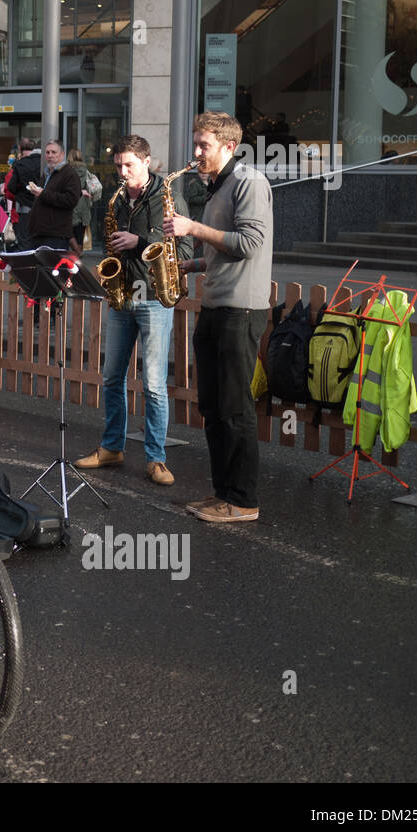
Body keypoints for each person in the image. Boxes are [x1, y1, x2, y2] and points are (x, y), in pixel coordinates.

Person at [166, 111, 273, 523]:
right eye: (196, 143)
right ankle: (223, 493)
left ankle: (243, 501)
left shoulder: (249, 182)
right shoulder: (217, 187)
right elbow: (223, 251)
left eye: (203, 145)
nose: (196, 152)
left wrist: (192, 228)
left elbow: (249, 243)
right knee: (212, 406)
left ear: (229, 146)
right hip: (215, 306)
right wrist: (190, 266)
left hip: (239, 310)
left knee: (234, 408)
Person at [74, 136, 192, 487]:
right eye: (119, 166)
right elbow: (112, 243)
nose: (123, 172)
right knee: (112, 377)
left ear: (146, 161)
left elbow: (185, 249)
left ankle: (156, 458)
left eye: (129, 165)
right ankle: (112, 447)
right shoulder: (118, 199)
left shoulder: (167, 196)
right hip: (122, 295)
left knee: (153, 384)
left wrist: (139, 242)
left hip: (154, 296)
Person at [24, 140, 81, 250]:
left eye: (54, 152)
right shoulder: (47, 173)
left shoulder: (69, 174)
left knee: (52, 262)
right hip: (39, 233)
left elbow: (70, 200)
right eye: (47, 152)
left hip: (55, 234)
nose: (50, 155)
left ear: (62, 154)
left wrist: (43, 194)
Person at [4, 138, 43, 240]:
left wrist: (20, 195)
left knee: (25, 242)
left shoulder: (20, 165)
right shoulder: (46, 164)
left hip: (23, 209)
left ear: (20, 150)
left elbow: (10, 189)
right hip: (44, 210)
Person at [68, 147, 103, 253]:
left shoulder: (66, 171)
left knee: (68, 233)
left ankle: (76, 255)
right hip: (84, 205)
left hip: (70, 204)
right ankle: (79, 254)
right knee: (80, 235)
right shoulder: (86, 171)